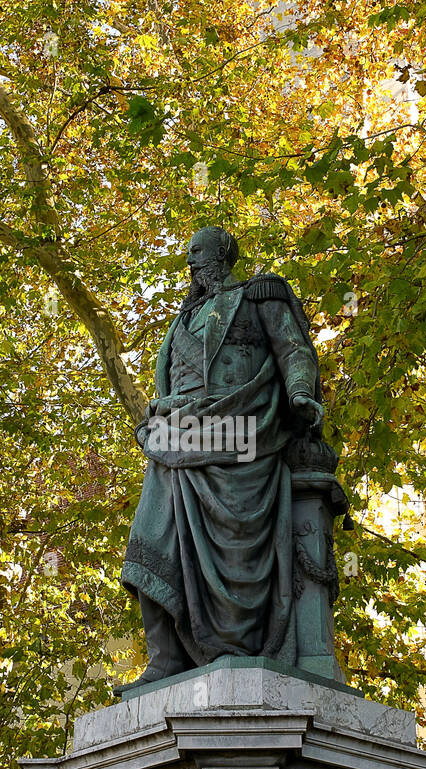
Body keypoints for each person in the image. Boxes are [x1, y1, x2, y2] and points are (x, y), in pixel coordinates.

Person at [118, 226, 326, 692]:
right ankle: (166, 656)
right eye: (188, 254)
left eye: (196, 252)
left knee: (218, 539)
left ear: (222, 254)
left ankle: (233, 642)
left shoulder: (259, 296)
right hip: (176, 438)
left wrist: (298, 394)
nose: (189, 262)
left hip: (243, 431)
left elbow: (294, 349)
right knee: (150, 536)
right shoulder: (181, 320)